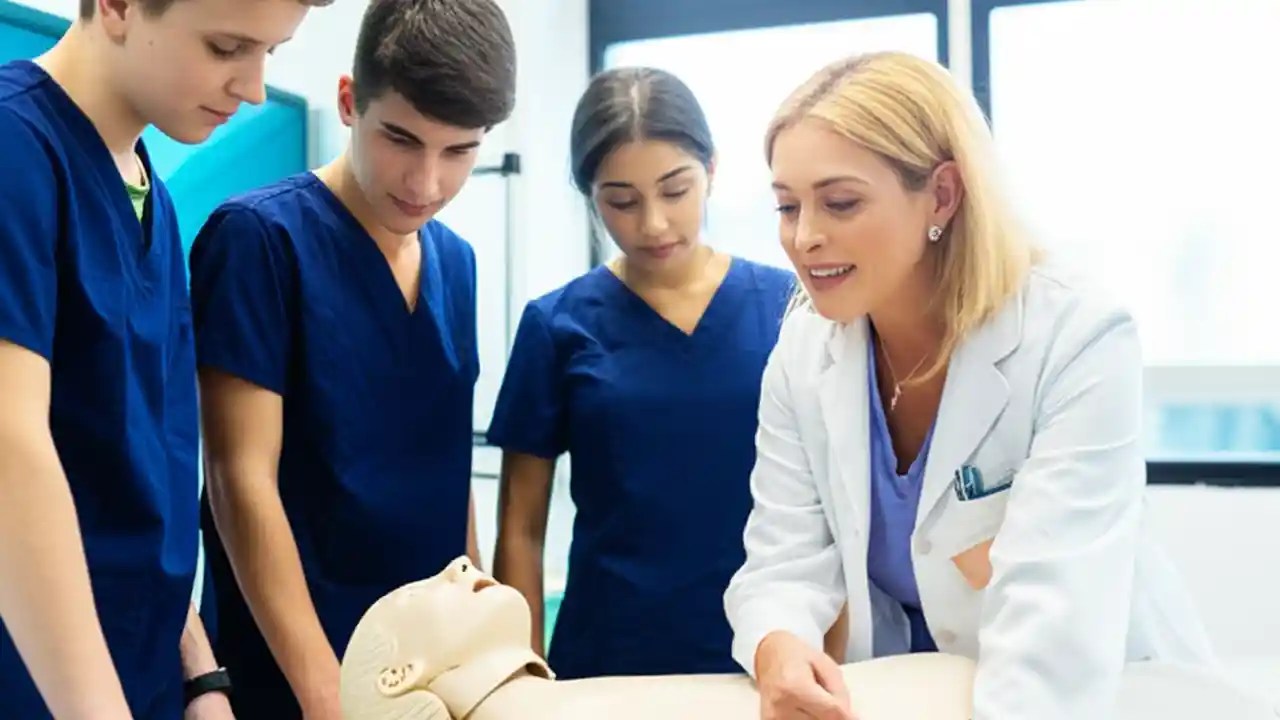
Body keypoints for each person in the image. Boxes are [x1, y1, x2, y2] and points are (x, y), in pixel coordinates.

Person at [721, 51, 1217, 720]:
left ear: (943, 196)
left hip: (1086, 690)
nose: (805, 237)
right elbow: (782, 558)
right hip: (912, 683)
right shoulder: (803, 352)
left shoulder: (1077, 337)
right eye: (786, 206)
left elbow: (1054, 625)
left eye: (840, 203)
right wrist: (777, 643)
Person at [186, 1, 516, 718]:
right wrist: (323, 691)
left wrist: (485, 638)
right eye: (401, 138)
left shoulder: (456, 264)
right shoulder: (259, 241)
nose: (426, 183)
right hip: (294, 674)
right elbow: (239, 479)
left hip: (432, 673)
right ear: (348, 101)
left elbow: (446, 466)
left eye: (459, 151)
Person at [0, 0, 322, 717]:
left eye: (270, 52)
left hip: (144, 675)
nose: (254, 87)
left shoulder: (152, 195)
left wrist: (199, 673)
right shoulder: (15, 151)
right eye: (227, 46)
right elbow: (8, 452)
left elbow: (144, 484)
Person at [487, 67, 796, 680]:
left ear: (711, 170)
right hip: (607, 660)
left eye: (675, 191)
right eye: (621, 202)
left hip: (763, 654)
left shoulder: (790, 308)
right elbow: (520, 528)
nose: (652, 223)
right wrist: (523, 676)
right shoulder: (556, 325)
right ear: (591, 196)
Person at [337, 558, 1275, 720]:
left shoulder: (1068, 326)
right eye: (433, 590)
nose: (459, 569)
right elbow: (785, 551)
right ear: (406, 674)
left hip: (1036, 678)